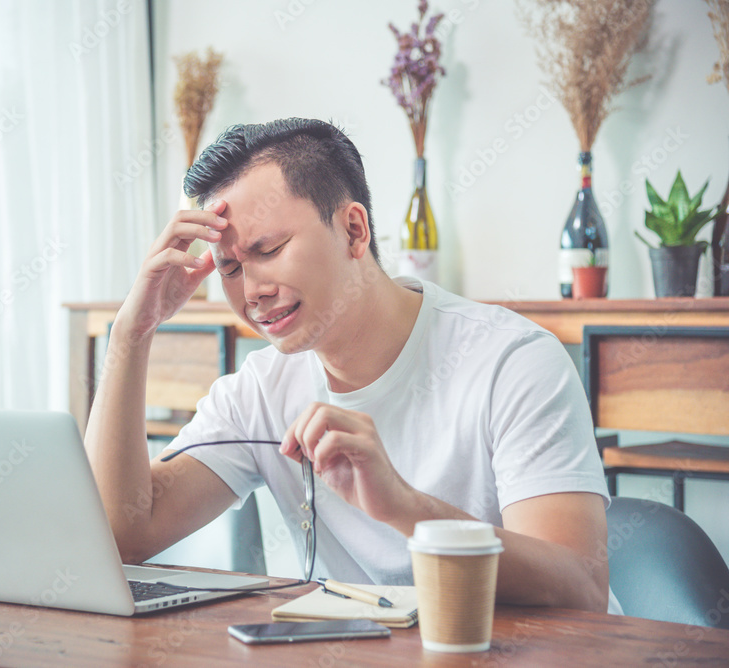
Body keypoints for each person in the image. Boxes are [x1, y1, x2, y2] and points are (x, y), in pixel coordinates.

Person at [85, 118, 619, 613]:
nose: (250, 292)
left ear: (354, 230)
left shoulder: (512, 361)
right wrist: (131, 334)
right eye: (228, 267)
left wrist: (403, 506)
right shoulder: (261, 390)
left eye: (268, 249)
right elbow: (122, 532)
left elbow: (581, 587)